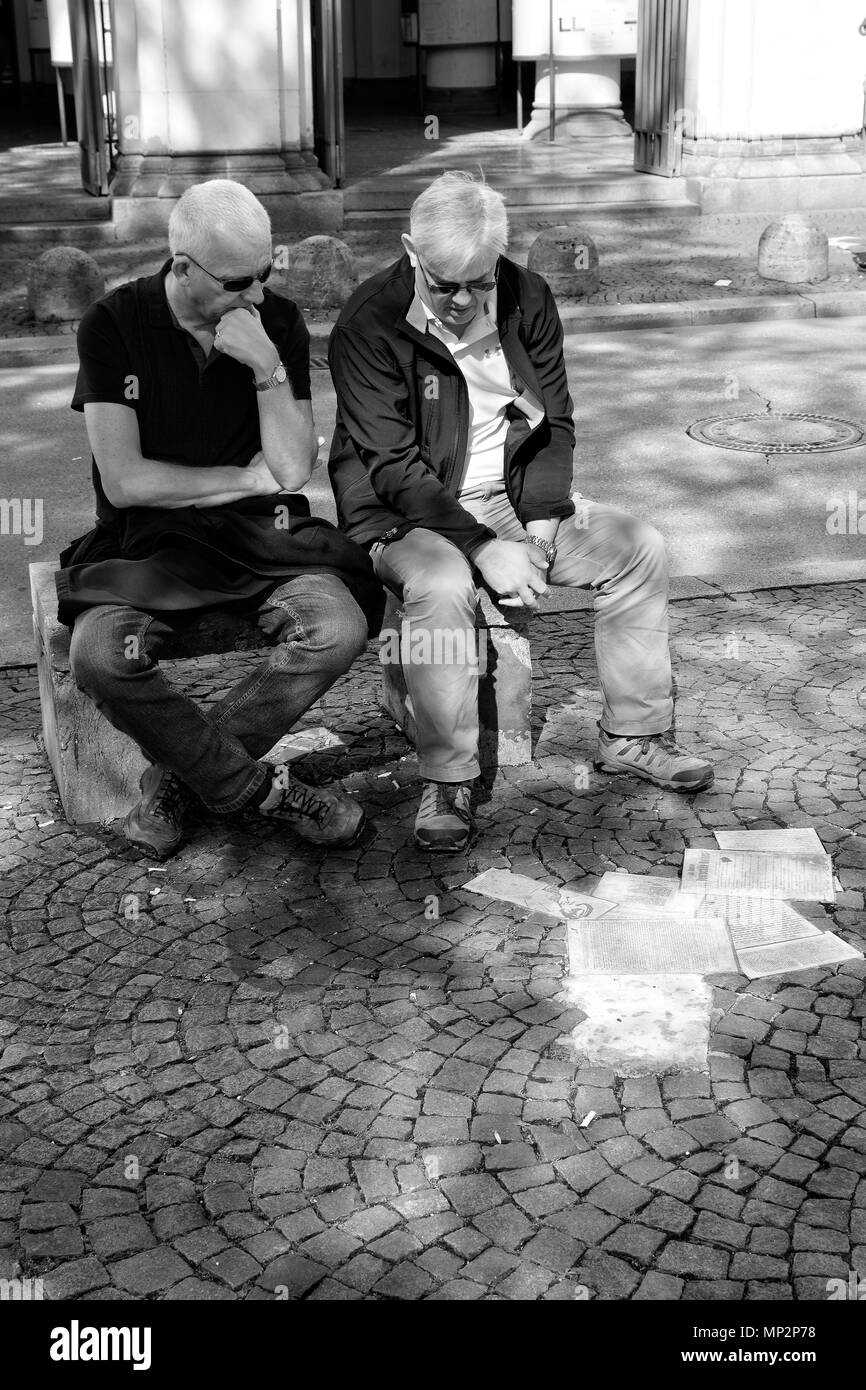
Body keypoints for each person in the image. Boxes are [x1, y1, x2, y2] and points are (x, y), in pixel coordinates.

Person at [328, 171, 713, 852]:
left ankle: (633, 735)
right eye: (444, 283)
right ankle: (446, 778)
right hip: (404, 513)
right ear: (411, 252)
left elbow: (553, 422)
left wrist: (537, 524)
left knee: (639, 545)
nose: (462, 299)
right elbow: (393, 469)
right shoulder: (368, 325)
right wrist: (482, 548)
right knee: (443, 585)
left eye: (479, 282)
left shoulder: (526, 297)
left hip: (508, 502)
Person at [58, 178, 383, 859]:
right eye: (240, 281)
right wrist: (238, 478)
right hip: (146, 546)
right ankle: (264, 793)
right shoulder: (113, 325)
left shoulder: (279, 323)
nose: (257, 295)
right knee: (99, 656)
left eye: (266, 274)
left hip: (265, 536)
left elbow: (291, 470)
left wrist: (267, 368)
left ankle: (178, 782)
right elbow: (127, 480)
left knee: (340, 626)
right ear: (182, 267)